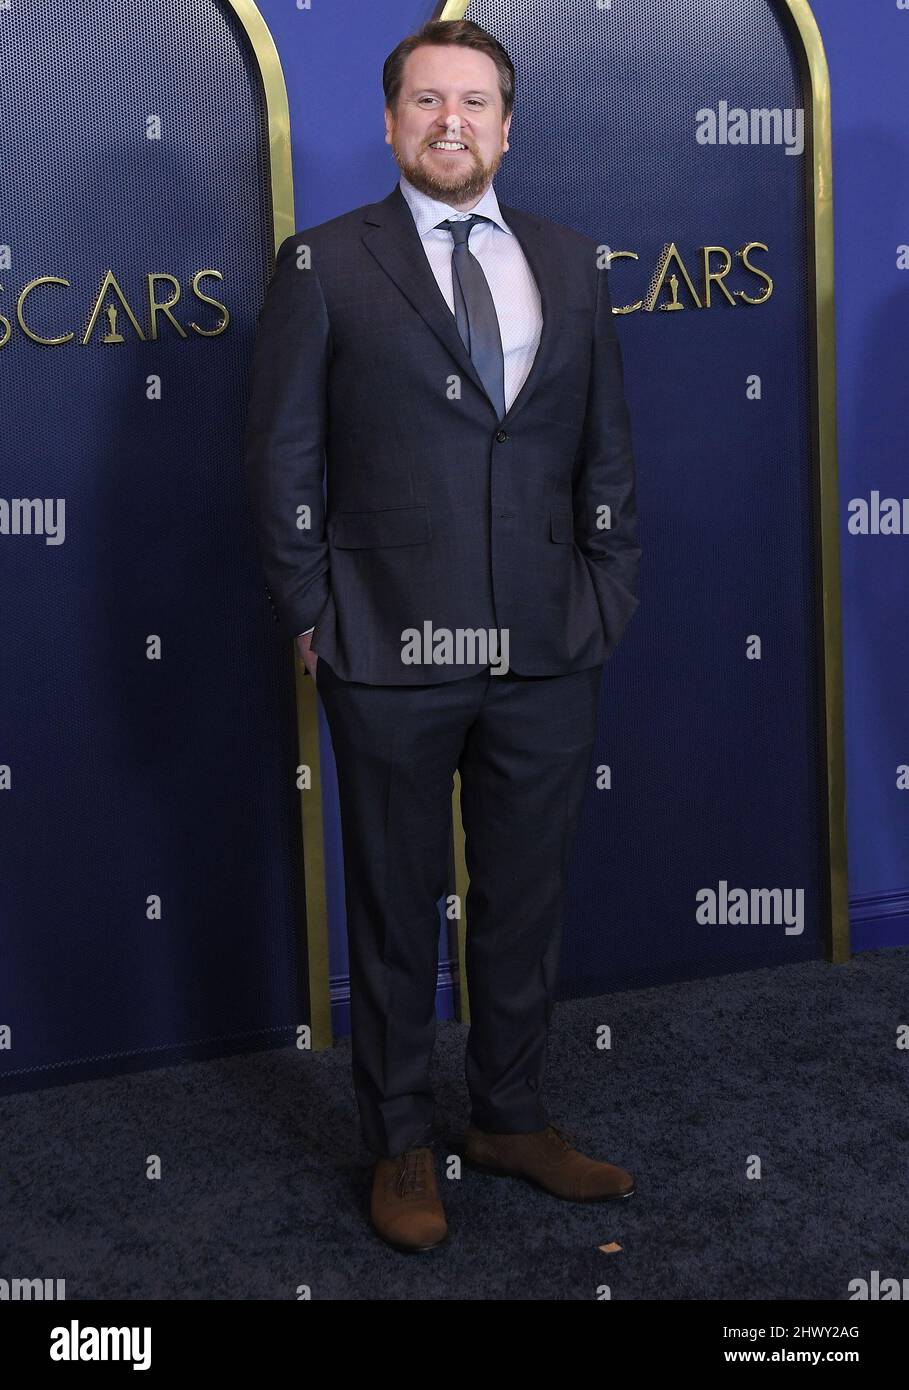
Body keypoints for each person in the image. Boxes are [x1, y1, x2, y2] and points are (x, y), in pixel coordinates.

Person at [244, 18, 641, 1252]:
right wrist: (315, 613)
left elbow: (604, 452)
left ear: (507, 126)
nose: (450, 121)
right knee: (396, 904)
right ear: (390, 121)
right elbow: (282, 457)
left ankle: (512, 1114)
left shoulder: (573, 263)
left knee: (523, 896)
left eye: (474, 101)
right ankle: (401, 1138)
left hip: (545, 648)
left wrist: (604, 592)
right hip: (387, 651)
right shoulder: (324, 265)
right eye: (427, 101)